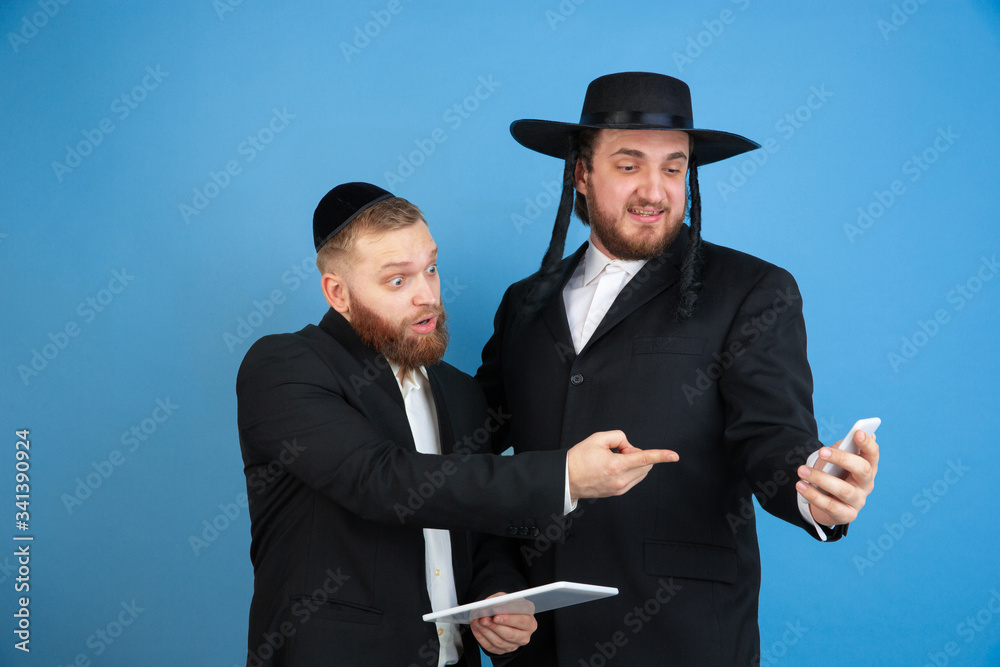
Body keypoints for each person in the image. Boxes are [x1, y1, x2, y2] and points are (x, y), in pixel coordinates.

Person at [474, 72, 881, 665]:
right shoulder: (523, 303)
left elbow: (772, 439)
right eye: (629, 164)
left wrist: (813, 488)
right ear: (581, 174)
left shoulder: (751, 290)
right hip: (542, 644)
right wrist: (493, 582)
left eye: (673, 167)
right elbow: (477, 464)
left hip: (681, 635)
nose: (655, 190)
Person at [235, 182, 679, 666]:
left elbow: (480, 529)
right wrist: (565, 477)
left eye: (430, 268)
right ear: (337, 293)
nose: (427, 296)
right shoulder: (284, 366)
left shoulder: (459, 392)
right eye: (397, 281)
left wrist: (499, 596)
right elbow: (382, 480)